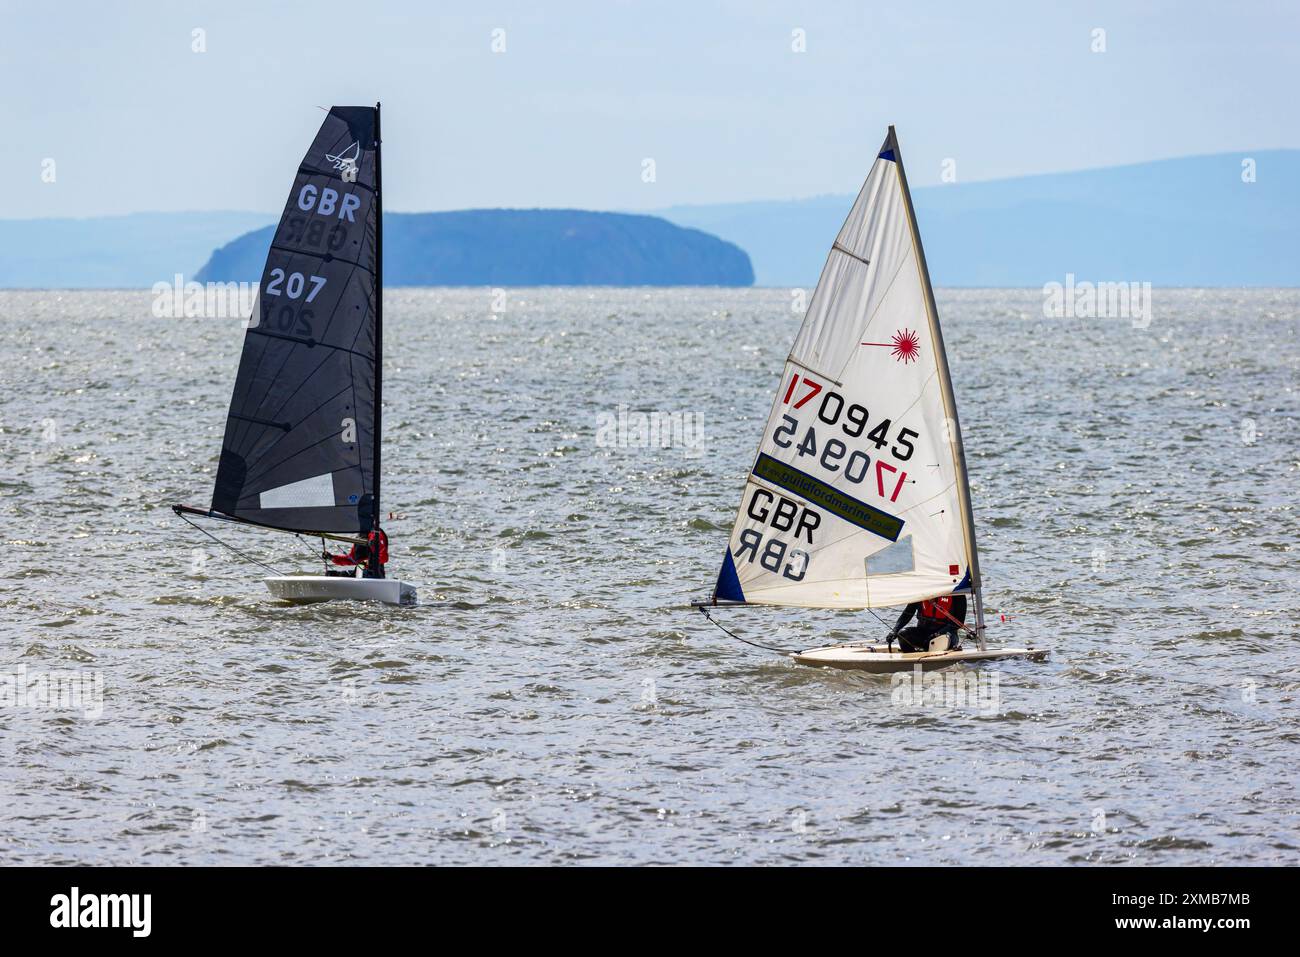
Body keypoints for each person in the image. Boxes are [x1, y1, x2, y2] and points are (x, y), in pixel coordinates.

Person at [888, 594, 967, 653]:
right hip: (924, 634)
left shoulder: (957, 594)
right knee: (902, 634)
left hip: (945, 635)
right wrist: (895, 630)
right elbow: (907, 613)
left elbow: (958, 623)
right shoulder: (922, 592)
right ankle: (913, 662)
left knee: (940, 641)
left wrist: (937, 634)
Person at [323, 528, 388, 579]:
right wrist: (332, 557)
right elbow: (352, 559)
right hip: (360, 573)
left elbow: (384, 558)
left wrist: (368, 561)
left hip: (374, 575)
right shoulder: (360, 536)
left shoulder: (377, 534)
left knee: (362, 572)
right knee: (330, 574)